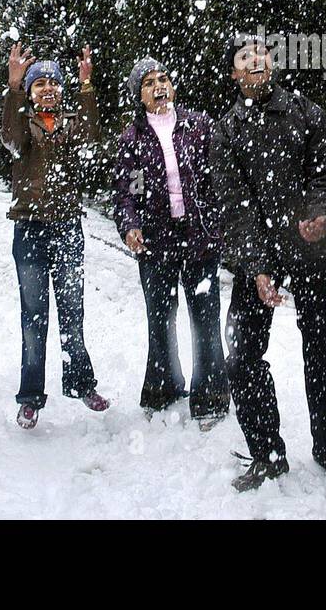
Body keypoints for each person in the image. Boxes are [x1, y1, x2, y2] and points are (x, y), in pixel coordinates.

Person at [212, 33, 326, 491]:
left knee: (323, 346)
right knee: (242, 352)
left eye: (262, 53)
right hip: (261, 252)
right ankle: (267, 453)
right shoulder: (226, 130)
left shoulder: (305, 112)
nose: (256, 60)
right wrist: (257, 267)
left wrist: (319, 212)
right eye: (245, 56)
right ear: (234, 73)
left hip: (310, 248)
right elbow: (235, 205)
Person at [113, 58, 229, 428]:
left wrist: (217, 217)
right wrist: (131, 225)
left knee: (205, 320)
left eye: (163, 78)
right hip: (156, 241)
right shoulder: (133, 139)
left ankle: (210, 396)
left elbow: (220, 177)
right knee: (160, 319)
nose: (159, 86)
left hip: (200, 239)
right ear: (139, 95)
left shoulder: (199, 126)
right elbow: (128, 193)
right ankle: (163, 388)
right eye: (149, 82)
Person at [3, 42, 109, 429]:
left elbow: (91, 138)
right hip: (28, 229)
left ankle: (81, 383)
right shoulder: (22, 121)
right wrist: (14, 88)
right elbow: (12, 141)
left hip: (66, 226)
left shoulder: (70, 122)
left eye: (53, 83)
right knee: (33, 317)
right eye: (39, 84)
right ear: (30, 92)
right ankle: (30, 396)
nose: (47, 88)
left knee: (72, 312)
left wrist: (86, 88)